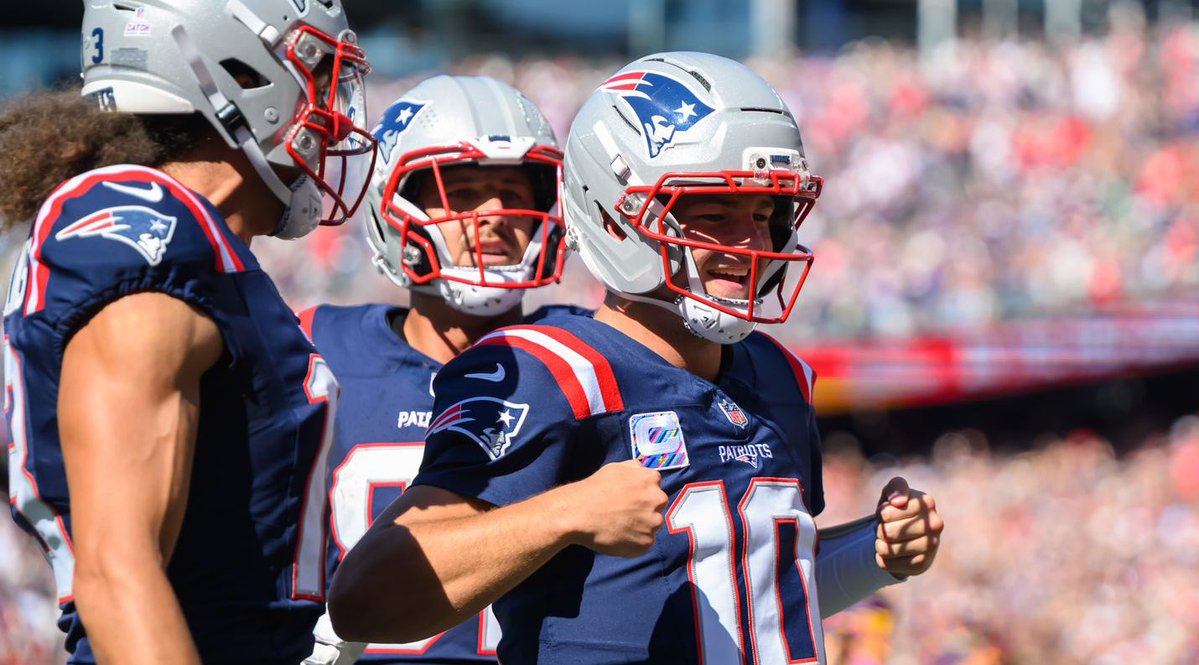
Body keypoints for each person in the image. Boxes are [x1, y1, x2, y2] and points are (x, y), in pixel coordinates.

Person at [328, 52, 944, 665]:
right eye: (714, 215)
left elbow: (754, 596)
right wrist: (562, 513)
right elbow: (367, 600)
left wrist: (874, 556)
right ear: (620, 219)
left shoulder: (780, 375)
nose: (751, 244)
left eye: (763, 214)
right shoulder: (554, 372)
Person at [0, 1, 375, 663]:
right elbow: (120, 575)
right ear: (235, 73)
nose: (337, 111)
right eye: (318, 74)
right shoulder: (149, 230)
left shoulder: (207, 247)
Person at [301, 75, 581, 665]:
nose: (496, 214)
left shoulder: (590, 354)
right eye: (466, 192)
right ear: (390, 208)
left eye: (513, 191)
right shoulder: (314, 349)